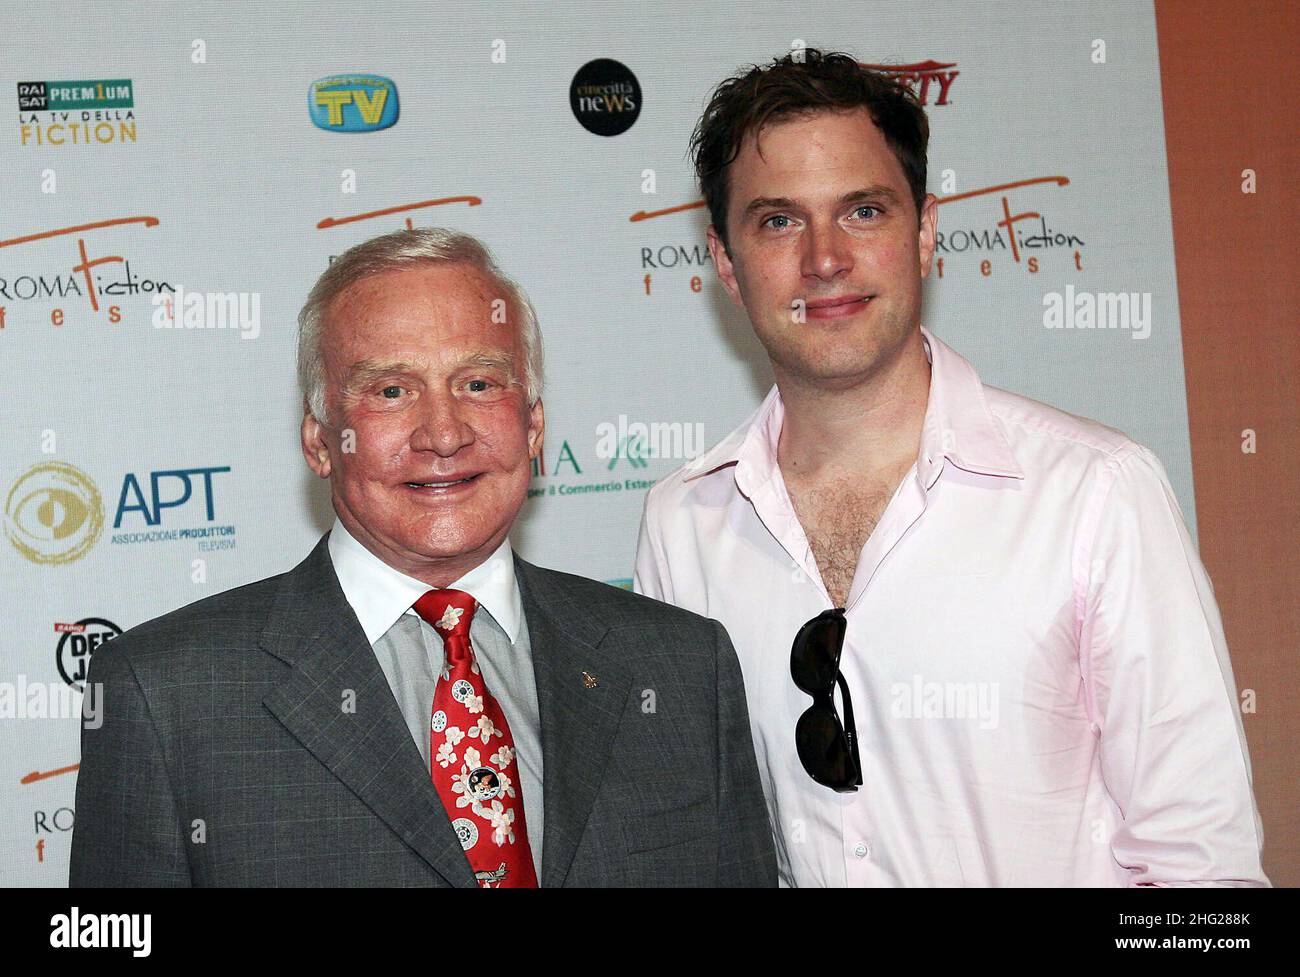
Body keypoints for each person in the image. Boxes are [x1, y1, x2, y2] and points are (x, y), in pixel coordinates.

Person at [634, 50, 1268, 887]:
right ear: (723, 259)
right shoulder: (684, 525)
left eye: (864, 211)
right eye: (779, 221)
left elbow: (1205, 879)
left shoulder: (1094, 493)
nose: (825, 259)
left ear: (925, 230)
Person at [71, 227, 775, 888]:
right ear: (319, 439)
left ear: (533, 423)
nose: (442, 433)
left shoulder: (683, 668)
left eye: (478, 383)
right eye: (390, 391)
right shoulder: (165, 696)